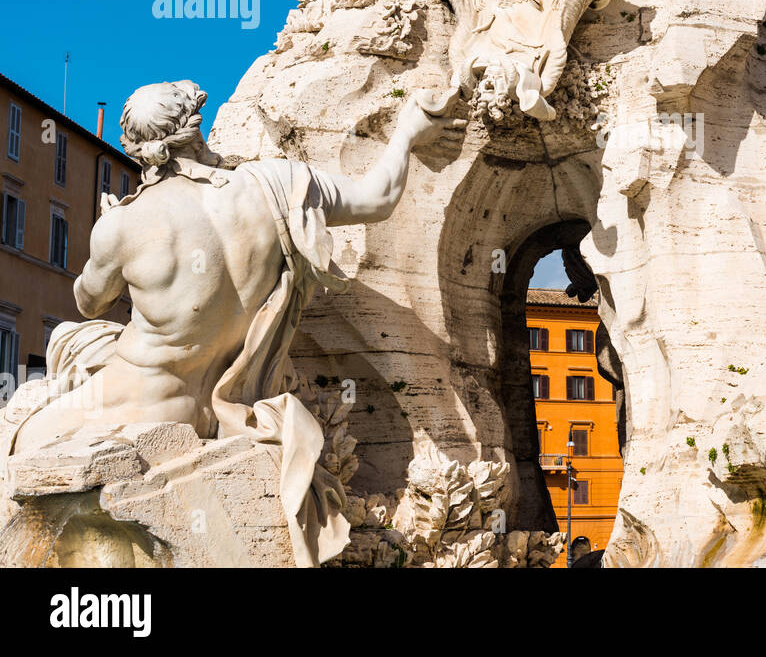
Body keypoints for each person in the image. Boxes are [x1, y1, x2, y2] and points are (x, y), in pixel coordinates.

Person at [2, 80, 464, 564]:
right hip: (214, 410)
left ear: (138, 151)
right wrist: (409, 130)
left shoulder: (123, 225)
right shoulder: (278, 186)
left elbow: (89, 303)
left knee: (34, 403)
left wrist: (110, 226)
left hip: (135, 406)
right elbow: (377, 198)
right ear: (196, 127)